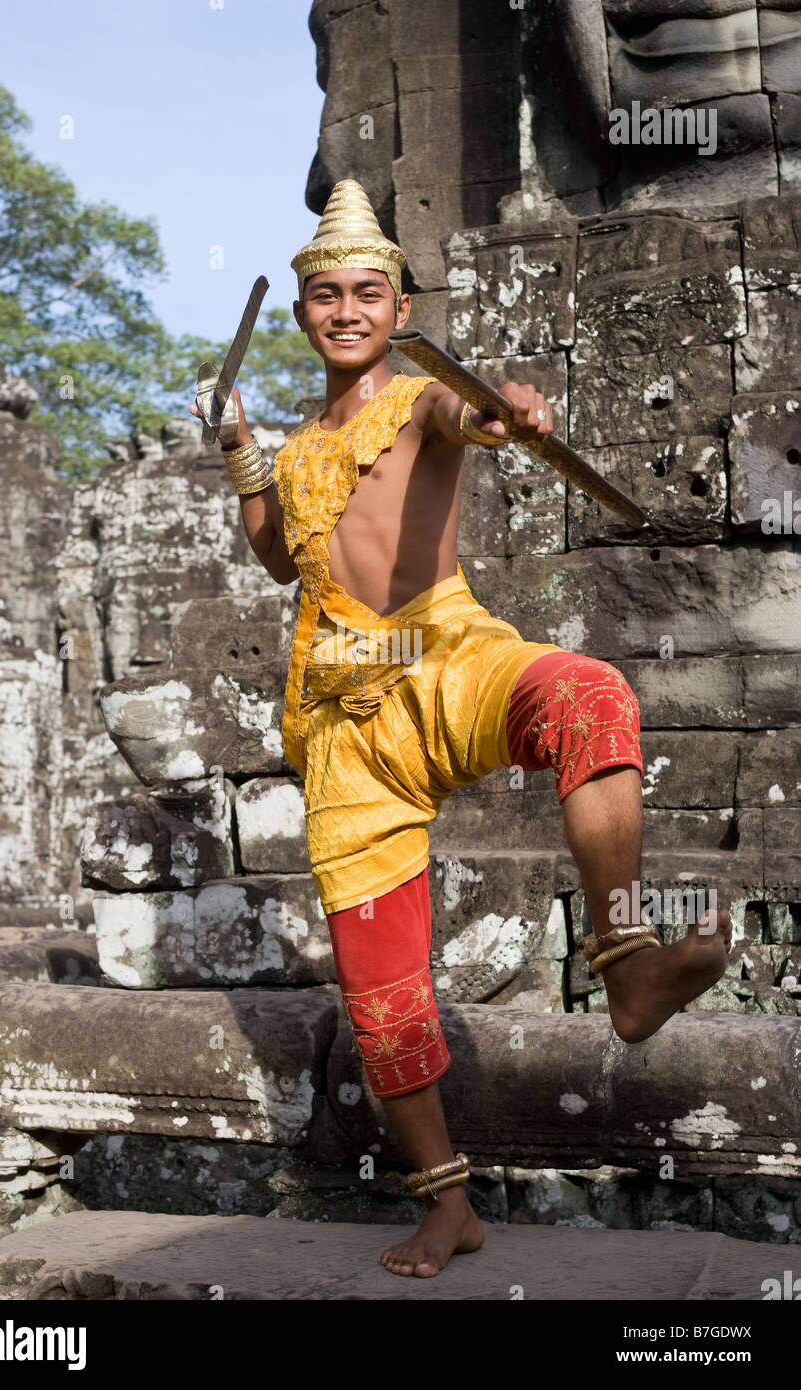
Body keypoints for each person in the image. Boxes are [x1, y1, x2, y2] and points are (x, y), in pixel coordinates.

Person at [190, 180, 732, 1279]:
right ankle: (447, 1202)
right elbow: (274, 551)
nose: (346, 310)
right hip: (344, 714)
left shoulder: (418, 401)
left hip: (436, 655)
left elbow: (468, 413)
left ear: (398, 308)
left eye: (367, 294)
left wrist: (509, 412)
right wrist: (239, 451)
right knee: (379, 988)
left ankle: (625, 958)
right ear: (303, 313)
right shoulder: (299, 452)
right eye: (326, 295)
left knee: (587, 696)